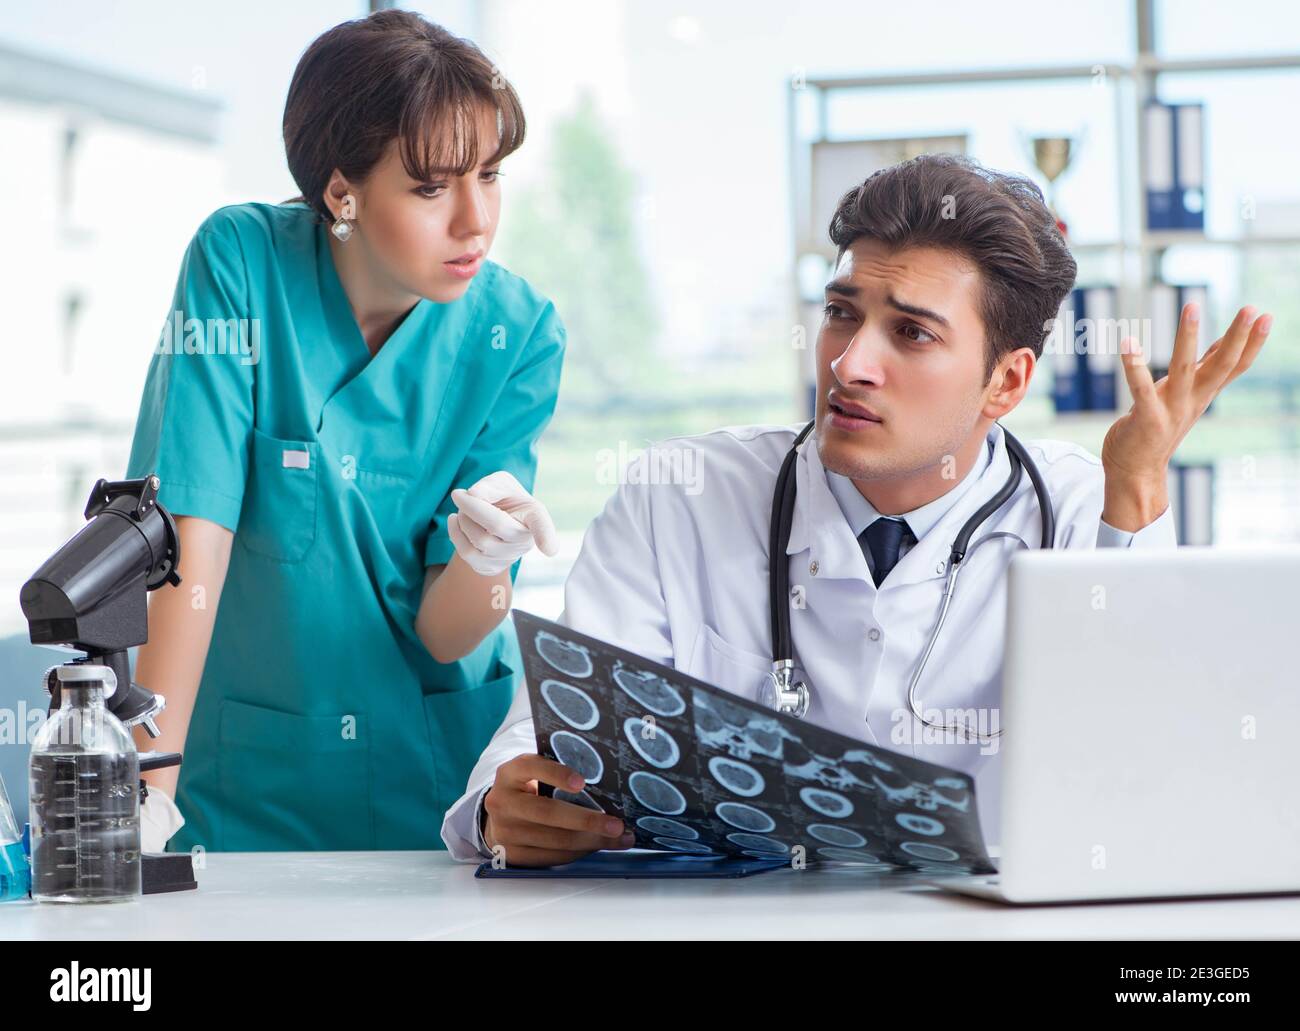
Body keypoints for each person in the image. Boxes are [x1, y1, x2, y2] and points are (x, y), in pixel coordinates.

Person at [442, 153, 1272, 866]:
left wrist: (1135, 492)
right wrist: (503, 808)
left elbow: (1158, 781)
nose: (851, 362)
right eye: (842, 314)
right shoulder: (679, 496)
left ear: (1007, 381)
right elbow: (550, 739)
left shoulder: (1083, 508)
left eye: (911, 333)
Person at [125, 10, 564, 851]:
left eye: (492, 175)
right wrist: (146, 784)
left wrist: (484, 556)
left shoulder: (518, 331)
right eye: (433, 188)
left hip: (439, 788)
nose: (476, 221)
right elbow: (193, 536)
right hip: (248, 786)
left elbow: (445, 630)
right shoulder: (241, 264)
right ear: (342, 193)